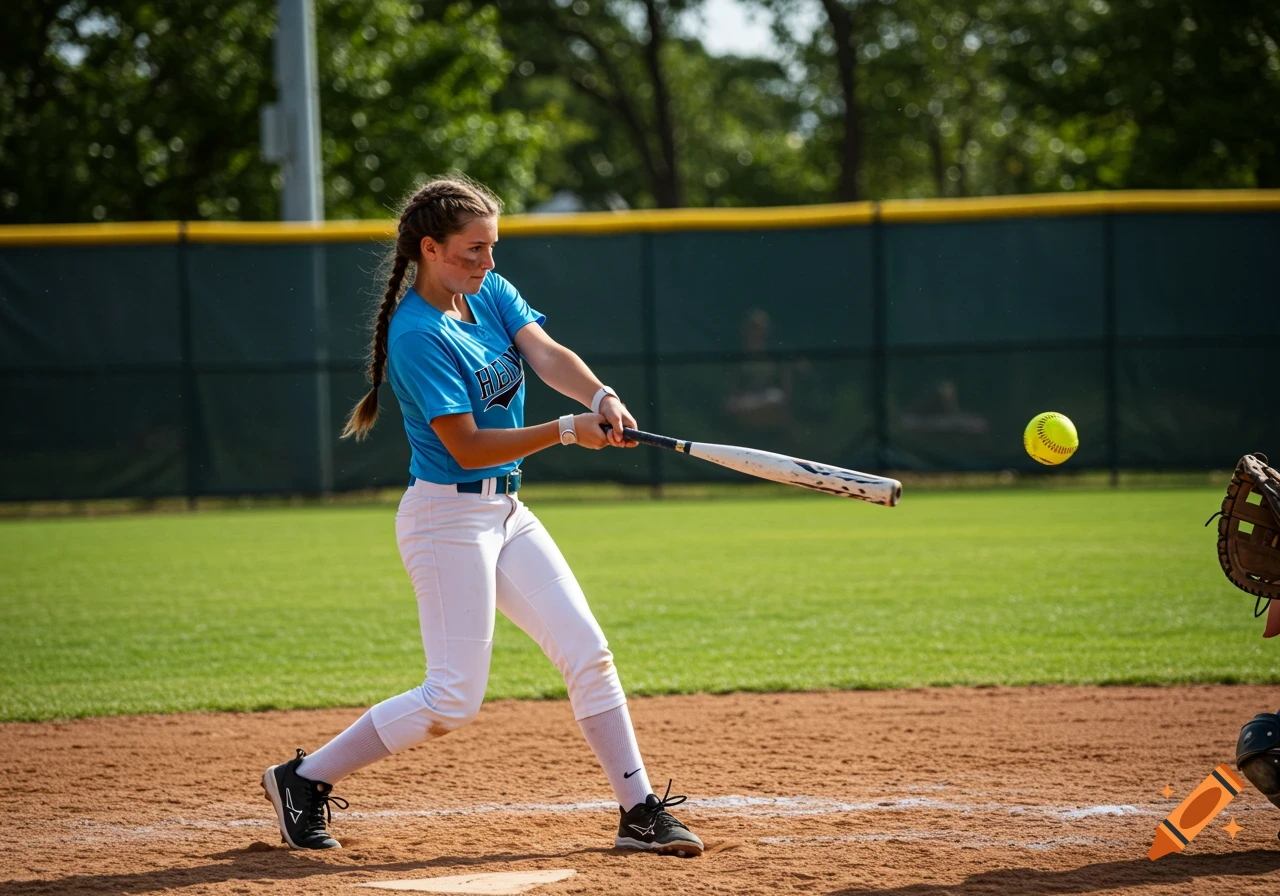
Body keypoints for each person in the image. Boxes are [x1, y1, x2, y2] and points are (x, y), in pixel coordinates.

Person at [259, 176, 703, 858]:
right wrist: (564, 431)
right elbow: (464, 445)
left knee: (589, 652)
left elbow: (546, 354)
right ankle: (303, 778)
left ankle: (638, 811)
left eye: (492, 247)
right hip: (446, 520)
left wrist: (601, 394)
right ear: (430, 249)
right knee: (453, 699)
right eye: (472, 250)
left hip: (506, 511)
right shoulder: (416, 335)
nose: (487, 263)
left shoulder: (485, 292)